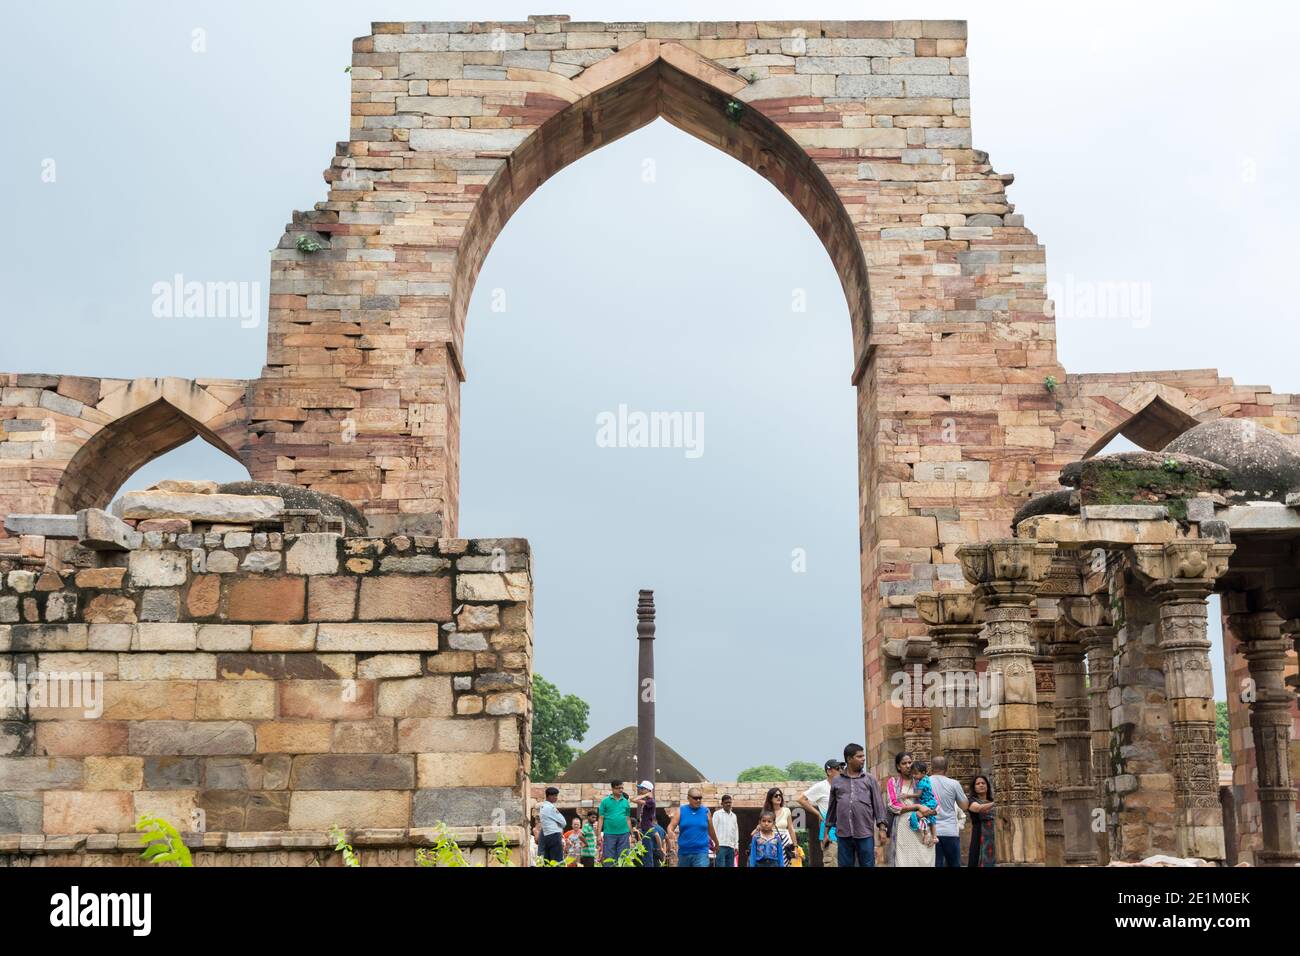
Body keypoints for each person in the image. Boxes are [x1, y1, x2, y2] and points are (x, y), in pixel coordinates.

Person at [824, 742, 888, 867]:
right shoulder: (837, 781)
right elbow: (832, 809)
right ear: (849, 759)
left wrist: (882, 829)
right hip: (843, 834)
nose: (863, 759)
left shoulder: (869, 779)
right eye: (859, 756)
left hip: (865, 833)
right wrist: (826, 832)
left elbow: (878, 806)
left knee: (868, 865)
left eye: (863, 756)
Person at [885, 751, 936, 867]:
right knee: (904, 861)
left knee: (924, 861)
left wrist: (925, 811)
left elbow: (934, 802)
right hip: (903, 828)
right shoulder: (893, 782)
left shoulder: (922, 781)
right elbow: (892, 805)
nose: (908, 765)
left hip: (923, 827)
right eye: (904, 763)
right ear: (898, 766)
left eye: (909, 762)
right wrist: (916, 806)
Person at [926, 755, 971, 868]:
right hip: (950, 830)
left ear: (931, 767)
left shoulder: (925, 782)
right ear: (947, 768)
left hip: (931, 831)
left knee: (935, 864)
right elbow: (964, 806)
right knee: (954, 864)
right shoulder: (954, 784)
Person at [799, 759, 843, 868]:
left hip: (844, 831)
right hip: (829, 833)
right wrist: (818, 813)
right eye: (838, 769)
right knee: (831, 862)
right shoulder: (821, 786)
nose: (841, 771)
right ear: (829, 771)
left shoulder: (843, 786)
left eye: (842, 768)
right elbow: (801, 799)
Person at [669, 787, 719, 867]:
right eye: (695, 798)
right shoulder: (681, 811)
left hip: (701, 852)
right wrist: (670, 832)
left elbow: (711, 830)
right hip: (684, 853)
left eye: (700, 798)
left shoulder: (706, 811)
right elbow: (670, 827)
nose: (698, 800)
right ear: (688, 798)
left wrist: (716, 843)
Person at [597, 779, 633, 865]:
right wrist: (598, 835)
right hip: (609, 834)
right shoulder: (605, 801)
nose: (621, 790)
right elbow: (601, 818)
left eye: (622, 788)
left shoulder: (626, 802)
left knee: (624, 858)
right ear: (612, 789)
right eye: (618, 788)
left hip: (624, 834)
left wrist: (632, 833)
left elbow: (628, 818)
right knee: (609, 858)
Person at [754, 787, 799, 855]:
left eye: (780, 795)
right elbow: (758, 830)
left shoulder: (786, 810)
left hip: (784, 842)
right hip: (769, 842)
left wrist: (795, 846)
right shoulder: (766, 813)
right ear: (770, 798)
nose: (779, 797)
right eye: (776, 796)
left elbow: (791, 829)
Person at [966, 774, 996, 867]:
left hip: (994, 835)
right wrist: (995, 803)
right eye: (978, 784)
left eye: (983, 783)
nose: (981, 785)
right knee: (977, 858)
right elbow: (978, 808)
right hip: (979, 834)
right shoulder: (971, 800)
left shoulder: (991, 800)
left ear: (987, 785)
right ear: (974, 787)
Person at [908, 760, 938, 847]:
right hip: (932, 802)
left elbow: (918, 794)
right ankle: (935, 837)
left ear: (923, 772)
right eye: (912, 773)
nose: (913, 776)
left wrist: (907, 795)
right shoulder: (927, 778)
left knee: (918, 814)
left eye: (915, 774)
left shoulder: (921, 782)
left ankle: (926, 833)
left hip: (927, 803)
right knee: (932, 820)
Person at [535, 786, 568, 864]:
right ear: (549, 796)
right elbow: (564, 823)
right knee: (557, 862)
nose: (556, 798)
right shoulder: (550, 807)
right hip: (554, 835)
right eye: (555, 796)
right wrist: (558, 824)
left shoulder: (542, 807)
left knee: (547, 862)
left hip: (547, 835)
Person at [712, 793, 740, 867]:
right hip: (720, 846)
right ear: (722, 803)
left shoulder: (734, 816)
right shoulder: (717, 814)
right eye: (726, 802)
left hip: (731, 847)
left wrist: (736, 846)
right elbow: (713, 830)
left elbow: (735, 831)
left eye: (729, 802)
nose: (728, 804)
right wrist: (715, 844)